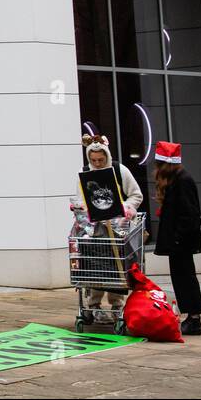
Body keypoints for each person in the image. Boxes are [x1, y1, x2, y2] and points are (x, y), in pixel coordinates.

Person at [74, 134, 143, 316]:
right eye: (93, 160)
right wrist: (81, 209)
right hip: (94, 230)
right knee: (94, 265)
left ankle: (116, 303)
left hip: (117, 229)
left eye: (101, 160)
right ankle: (93, 303)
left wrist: (126, 209)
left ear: (107, 156)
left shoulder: (119, 170)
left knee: (115, 264)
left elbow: (136, 195)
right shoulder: (85, 172)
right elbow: (81, 199)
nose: (97, 163)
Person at [152, 141, 201, 336]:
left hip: (181, 242)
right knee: (182, 278)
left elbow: (189, 214)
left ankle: (194, 318)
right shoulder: (178, 179)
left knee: (185, 278)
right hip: (179, 241)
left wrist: (177, 238)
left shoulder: (182, 180)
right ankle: (192, 317)